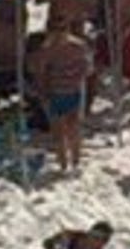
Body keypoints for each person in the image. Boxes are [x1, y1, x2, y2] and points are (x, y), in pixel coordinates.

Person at [33, 23, 93, 175]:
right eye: (56, 30)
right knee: (59, 131)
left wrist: (75, 76)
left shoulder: (79, 47)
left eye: (62, 30)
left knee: (74, 128)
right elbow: (40, 72)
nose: (59, 34)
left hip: (74, 91)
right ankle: (63, 164)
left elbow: (88, 69)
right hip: (54, 93)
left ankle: (76, 161)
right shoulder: (46, 50)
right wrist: (43, 93)